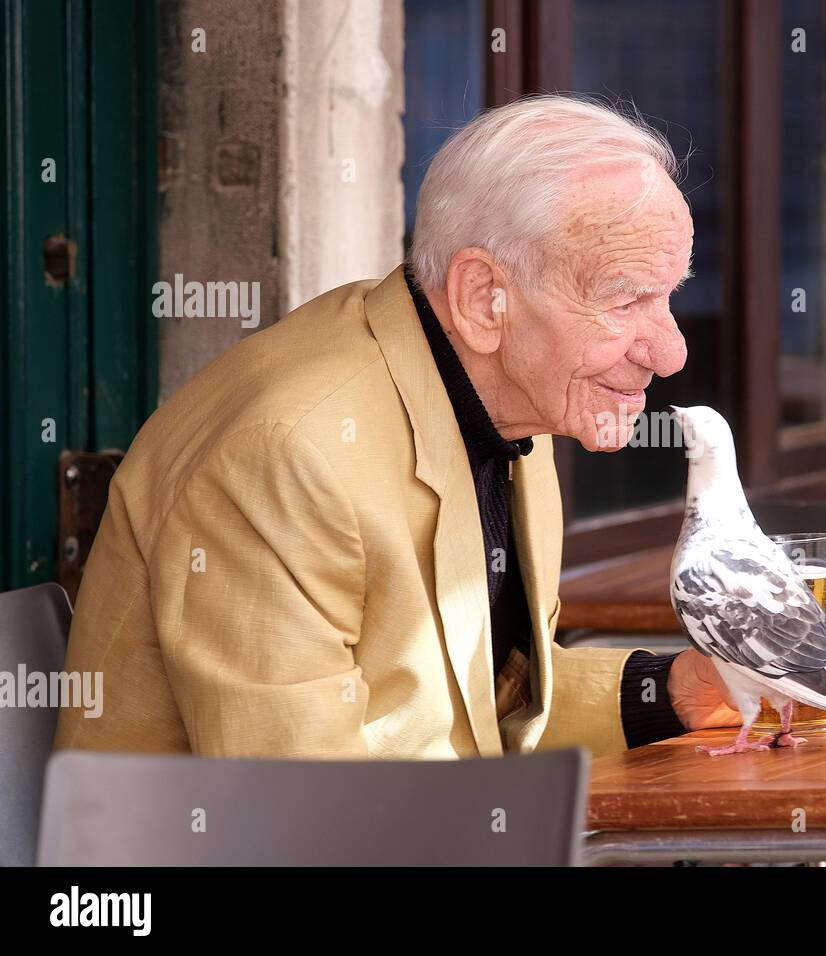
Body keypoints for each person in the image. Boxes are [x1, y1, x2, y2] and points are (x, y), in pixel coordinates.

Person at [55, 95, 737, 759]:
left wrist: (677, 691)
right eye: (625, 299)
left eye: (669, 295)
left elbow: (480, 712)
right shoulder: (289, 455)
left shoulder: (508, 406)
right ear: (482, 298)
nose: (671, 353)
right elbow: (291, 815)